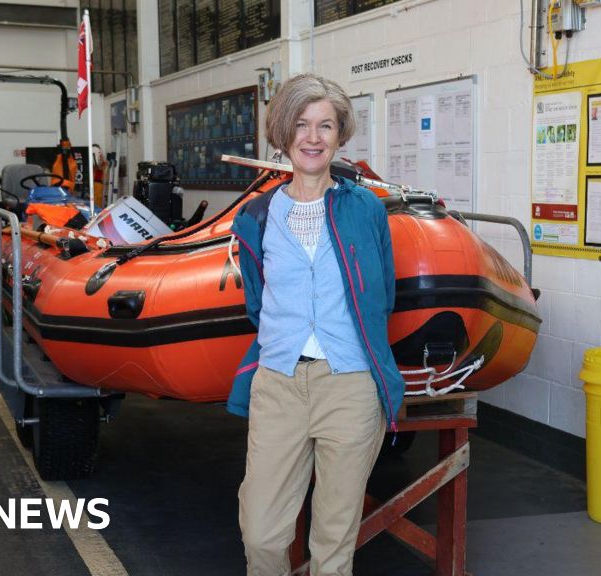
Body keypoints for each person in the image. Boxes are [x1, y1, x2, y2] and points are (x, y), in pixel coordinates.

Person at [227, 73, 405, 576]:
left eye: (325, 125)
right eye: (302, 124)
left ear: (339, 134)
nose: (313, 137)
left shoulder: (365, 208)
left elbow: (382, 293)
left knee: (333, 546)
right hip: (279, 384)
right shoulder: (257, 216)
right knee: (261, 533)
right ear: (283, 132)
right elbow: (257, 302)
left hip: (349, 386)